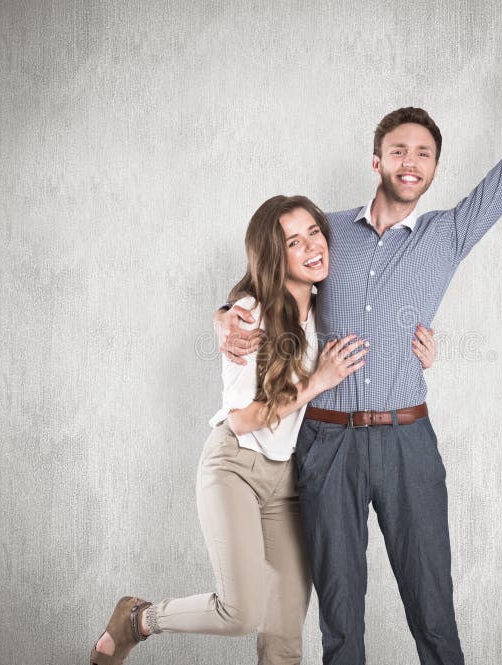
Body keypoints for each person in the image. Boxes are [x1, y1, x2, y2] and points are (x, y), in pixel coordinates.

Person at [215, 14, 502, 665]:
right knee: (340, 622)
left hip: (407, 442)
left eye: (424, 153)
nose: (411, 162)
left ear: (435, 168)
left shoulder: (449, 233)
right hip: (324, 442)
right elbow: (268, 269)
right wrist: (224, 314)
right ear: (376, 160)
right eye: (399, 150)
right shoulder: (325, 231)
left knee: (433, 614)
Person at [89, 195, 437, 665]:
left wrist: (423, 352)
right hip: (236, 464)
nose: (312, 246)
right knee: (240, 612)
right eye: (294, 241)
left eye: (314, 231)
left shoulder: (327, 304)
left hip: (291, 480)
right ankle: (140, 619)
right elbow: (243, 418)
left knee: (284, 632)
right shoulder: (249, 315)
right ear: (276, 256)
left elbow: (384, 326)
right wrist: (315, 382)